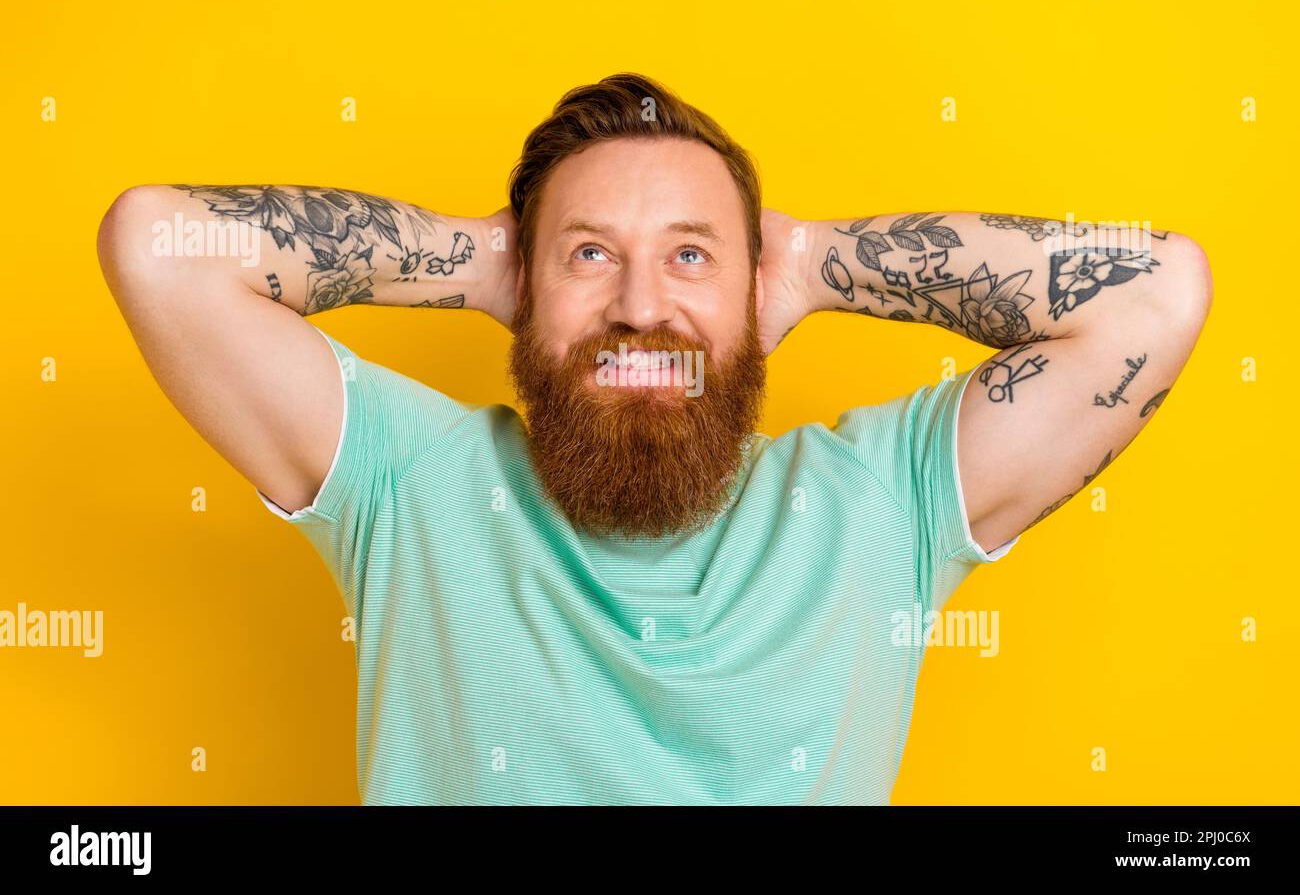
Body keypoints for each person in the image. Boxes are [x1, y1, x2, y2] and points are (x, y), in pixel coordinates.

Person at [96, 72, 1212, 804]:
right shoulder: (411, 483)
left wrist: (820, 259)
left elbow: (1159, 295)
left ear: (755, 289)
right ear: (524, 281)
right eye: (589, 254)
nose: (639, 304)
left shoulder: (888, 504)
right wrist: (497, 263)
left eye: (690, 255)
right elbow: (158, 247)